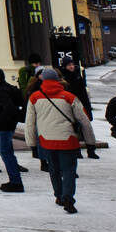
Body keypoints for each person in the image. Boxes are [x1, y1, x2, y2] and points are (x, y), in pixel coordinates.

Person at [26, 66, 98, 214]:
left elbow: (30, 123)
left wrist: (32, 145)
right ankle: (68, 198)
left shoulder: (34, 97)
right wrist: (90, 143)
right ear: (58, 79)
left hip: (46, 140)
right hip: (67, 139)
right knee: (69, 170)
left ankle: (59, 195)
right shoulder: (69, 96)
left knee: (54, 169)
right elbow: (84, 121)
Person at [0, 65, 25, 192]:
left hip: (5, 125)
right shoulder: (7, 87)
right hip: (9, 124)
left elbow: (8, 108)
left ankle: (16, 182)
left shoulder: (0, 90)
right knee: (8, 152)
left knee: (6, 153)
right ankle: (15, 180)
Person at [58, 59, 99, 159]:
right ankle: (76, 151)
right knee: (73, 129)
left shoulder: (78, 76)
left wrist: (88, 108)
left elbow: (84, 94)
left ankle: (91, 149)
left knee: (87, 127)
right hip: (69, 105)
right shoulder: (62, 79)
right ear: (64, 66)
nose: (71, 67)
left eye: (72, 64)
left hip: (80, 104)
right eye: (69, 65)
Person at [20, 56, 47, 171]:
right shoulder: (33, 88)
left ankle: (45, 159)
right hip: (38, 116)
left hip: (45, 116)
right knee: (40, 138)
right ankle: (43, 161)